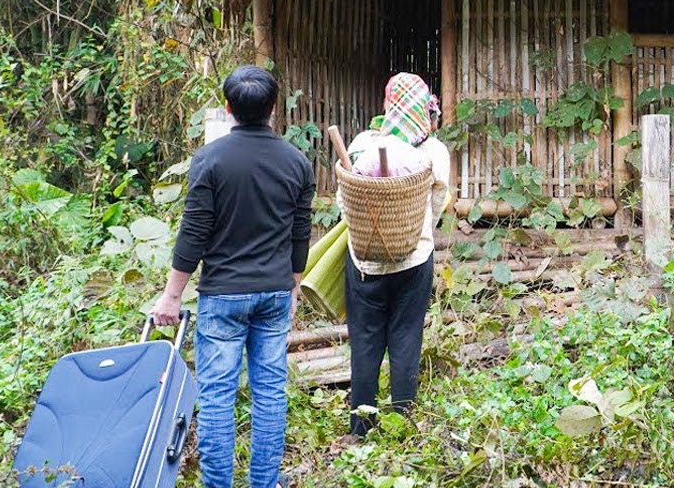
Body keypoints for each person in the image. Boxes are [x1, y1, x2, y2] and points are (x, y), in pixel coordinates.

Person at [152, 65, 314, 488]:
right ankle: (264, 483)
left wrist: (171, 296)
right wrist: (294, 284)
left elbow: (194, 232)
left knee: (218, 397)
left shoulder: (210, 160)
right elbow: (301, 233)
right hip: (275, 293)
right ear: (273, 108)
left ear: (228, 109)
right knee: (270, 394)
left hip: (223, 296)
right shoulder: (297, 162)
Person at [339, 72, 450, 437]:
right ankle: (403, 422)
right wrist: (417, 232)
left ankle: (361, 427)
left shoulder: (360, 144)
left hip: (364, 262)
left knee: (365, 340)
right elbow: (436, 203)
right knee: (406, 336)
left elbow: (346, 203)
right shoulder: (433, 151)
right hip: (415, 259)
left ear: (388, 105)